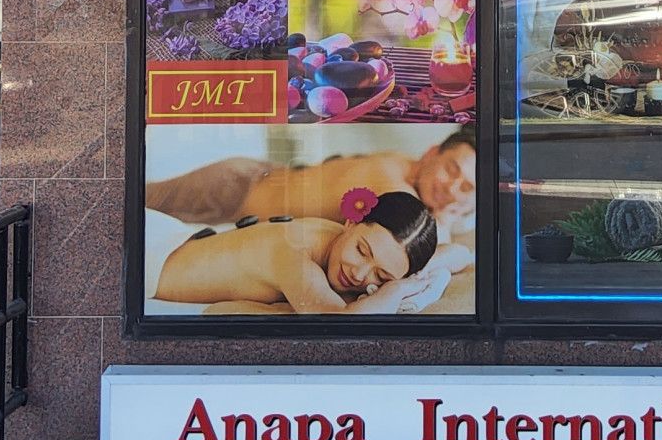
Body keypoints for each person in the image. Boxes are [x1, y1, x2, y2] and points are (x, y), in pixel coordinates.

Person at [150, 191, 445, 315]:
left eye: (381, 276)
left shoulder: (336, 241)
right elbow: (338, 328)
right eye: (361, 250)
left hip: (178, 238)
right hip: (151, 260)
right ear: (351, 221)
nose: (358, 274)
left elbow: (459, 253)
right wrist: (392, 293)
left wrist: (410, 278)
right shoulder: (296, 255)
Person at [147, 131, 475, 239]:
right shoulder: (394, 181)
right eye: (451, 169)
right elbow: (431, 243)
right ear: (432, 153)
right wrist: (445, 219)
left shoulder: (409, 174)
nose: (452, 188)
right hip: (238, 187)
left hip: (256, 187)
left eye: (467, 188)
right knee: (138, 201)